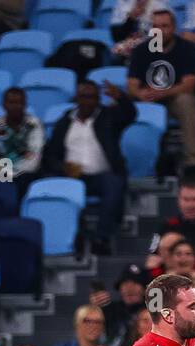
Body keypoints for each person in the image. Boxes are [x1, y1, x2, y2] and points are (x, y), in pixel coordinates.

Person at [41, 79, 137, 257]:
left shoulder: (108, 116)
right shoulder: (64, 121)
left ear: (98, 99)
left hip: (102, 176)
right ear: (76, 98)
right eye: (84, 97)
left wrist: (122, 98)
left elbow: (130, 115)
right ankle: (67, 242)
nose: (88, 101)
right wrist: (62, 167)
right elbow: (50, 154)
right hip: (71, 177)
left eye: (92, 97)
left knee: (114, 184)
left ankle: (101, 239)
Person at [127, 8, 195, 176]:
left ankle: (192, 162)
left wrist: (163, 92)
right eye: (155, 26)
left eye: (164, 26)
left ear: (173, 28)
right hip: (148, 100)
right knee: (119, 105)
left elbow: (189, 84)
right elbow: (132, 84)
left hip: (174, 98)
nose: (159, 31)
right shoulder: (141, 50)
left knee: (186, 100)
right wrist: (141, 94)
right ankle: (131, 163)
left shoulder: (187, 48)